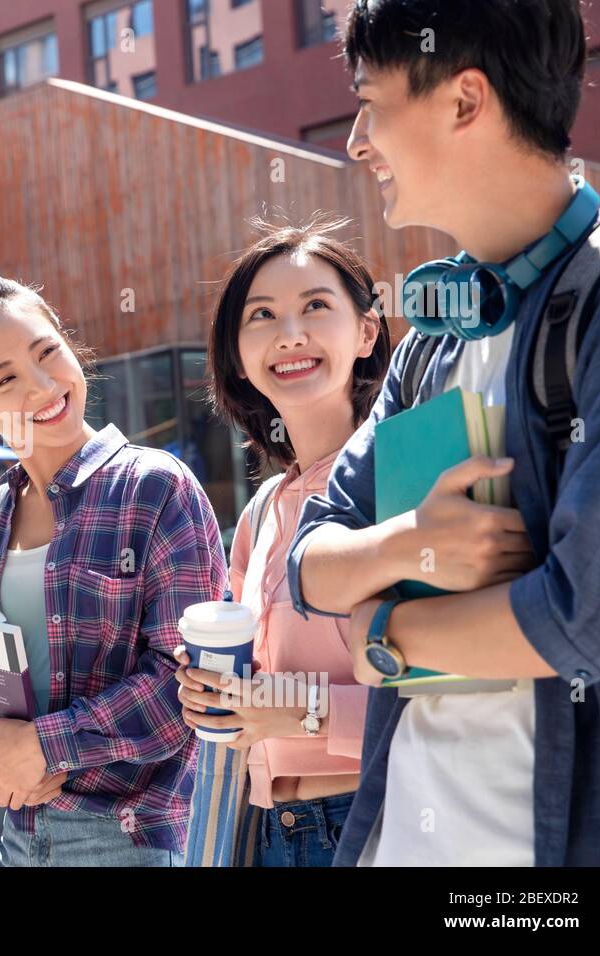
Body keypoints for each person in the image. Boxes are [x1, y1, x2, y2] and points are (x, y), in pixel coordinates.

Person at [287, 0, 600, 865]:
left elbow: (585, 623)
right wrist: (411, 543)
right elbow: (309, 558)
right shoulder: (439, 333)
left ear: (465, 100)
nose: (358, 140)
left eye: (372, 103)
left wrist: (379, 637)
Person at [0, 272, 226, 866]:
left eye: (47, 351)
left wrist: (47, 747)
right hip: (13, 838)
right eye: (6, 379)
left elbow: (188, 683)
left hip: (132, 841)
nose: (44, 385)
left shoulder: (155, 487)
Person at [176, 217, 390, 866]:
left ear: (368, 330)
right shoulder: (262, 511)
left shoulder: (401, 478)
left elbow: (448, 694)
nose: (289, 334)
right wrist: (211, 695)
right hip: (271, 834)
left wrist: (301, 713)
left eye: (316, 307)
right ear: (239, 357)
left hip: (375, 821)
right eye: (261, 315)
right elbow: (254, 690)